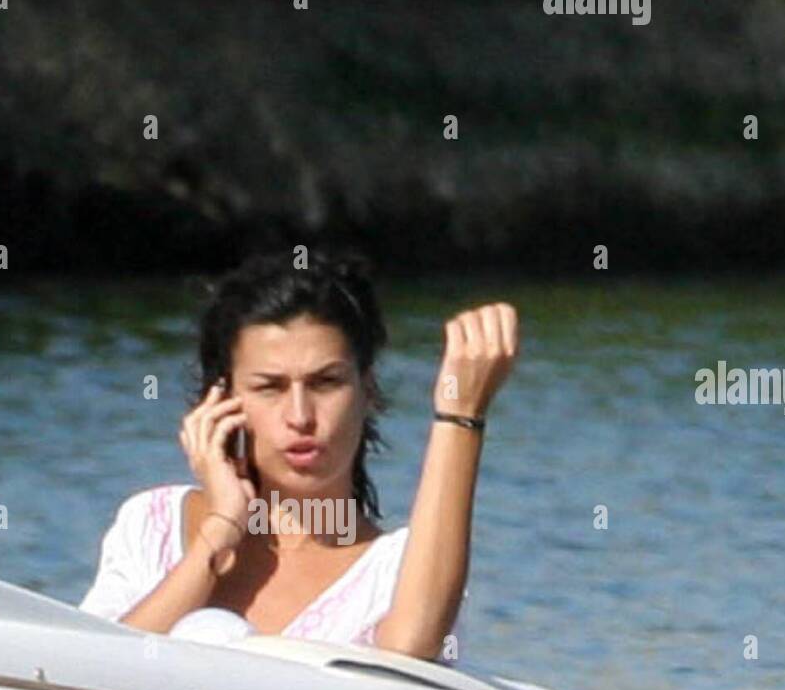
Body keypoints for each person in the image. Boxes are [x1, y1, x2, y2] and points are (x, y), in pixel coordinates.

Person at [80, 248, 517, 665]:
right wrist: (220, 533)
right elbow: (95, 673)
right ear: (223, 401)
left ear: (368, 391)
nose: (301, 416)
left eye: (326, 382)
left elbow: (409, 652)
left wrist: (461, 415)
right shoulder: (153, 526)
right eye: (269, 387)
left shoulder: (402, 569)